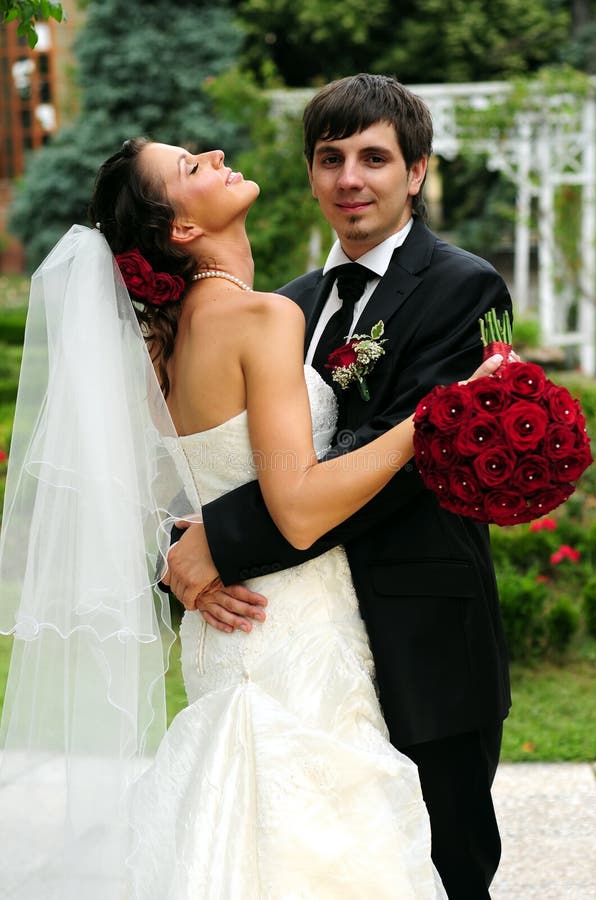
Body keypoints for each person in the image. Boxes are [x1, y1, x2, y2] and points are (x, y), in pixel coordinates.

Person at [0, 125, 502, 897]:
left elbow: (168, 491)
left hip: (239, 629)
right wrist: (441, 413)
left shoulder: (161, 345)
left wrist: (189, 552)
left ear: (416, 171)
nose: (218, 158)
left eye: (373, 158)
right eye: (192, 166)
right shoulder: (269, 315)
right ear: (184, 228)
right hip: (293, 632)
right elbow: (296, 504)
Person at [163, 73, 513, 900]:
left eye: (374, 158)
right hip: (302, 649)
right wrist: (173, 550)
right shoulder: (291, 303)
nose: (350, 178)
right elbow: (219, 457)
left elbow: (405, 465)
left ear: (417, 171)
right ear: (312, 173)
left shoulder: (466, 288)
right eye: (330, 158)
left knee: (445, 869)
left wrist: (222, 541)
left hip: (424, 640)